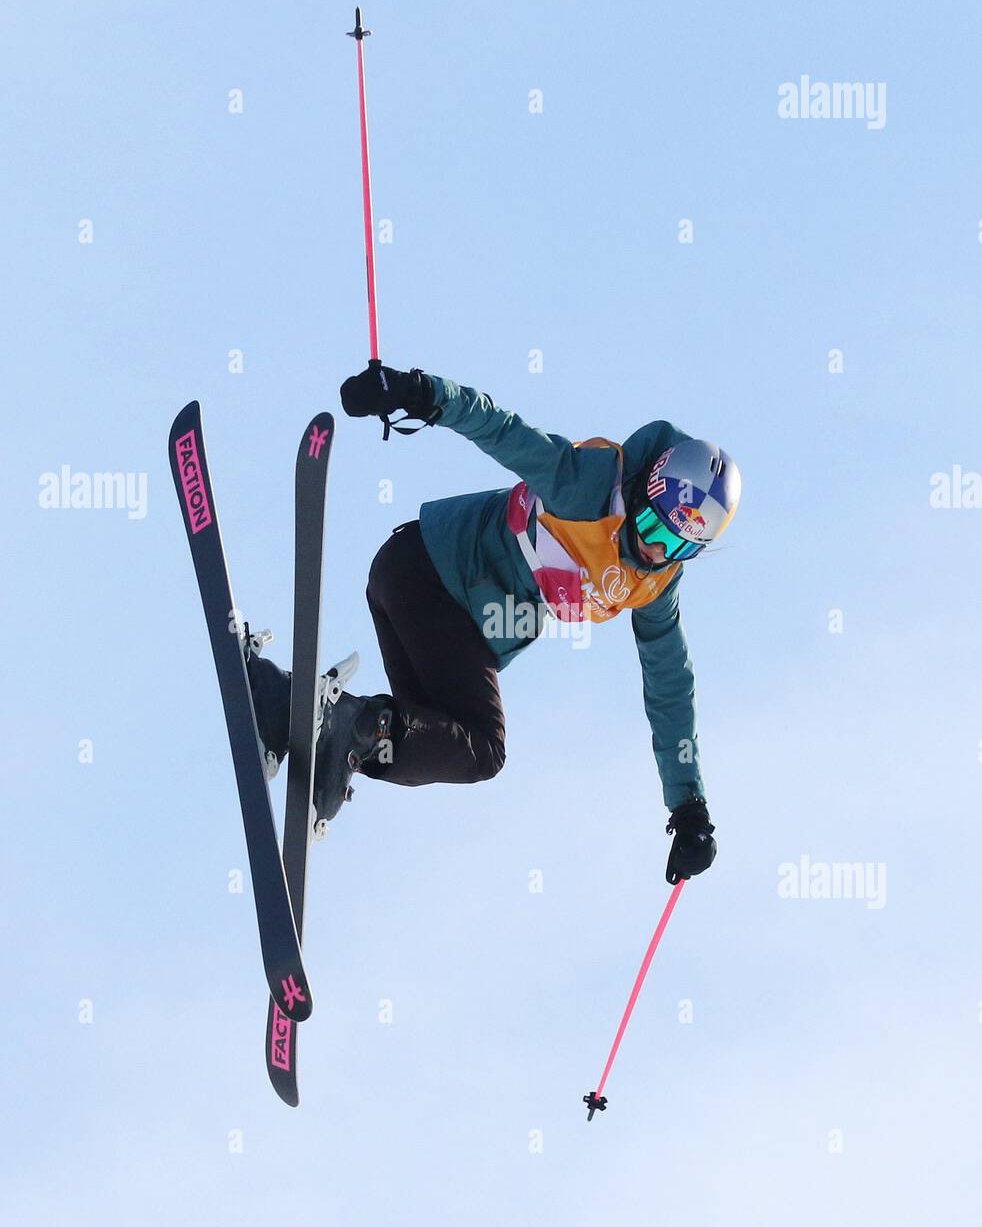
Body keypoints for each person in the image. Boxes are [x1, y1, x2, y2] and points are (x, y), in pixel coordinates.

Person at [247, 364, 741, 885]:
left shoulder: (654, 584)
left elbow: (669, 685)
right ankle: (345, 730)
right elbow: (501, 429)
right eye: (650, 526)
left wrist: (689, 808)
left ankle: (283, 704)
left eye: (678, 548)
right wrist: (418, 392)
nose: (653, 550)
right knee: (484, 747)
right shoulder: (586, 483)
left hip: (430, 605)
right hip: (428, 575)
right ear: (644, 491)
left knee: (434, 740)